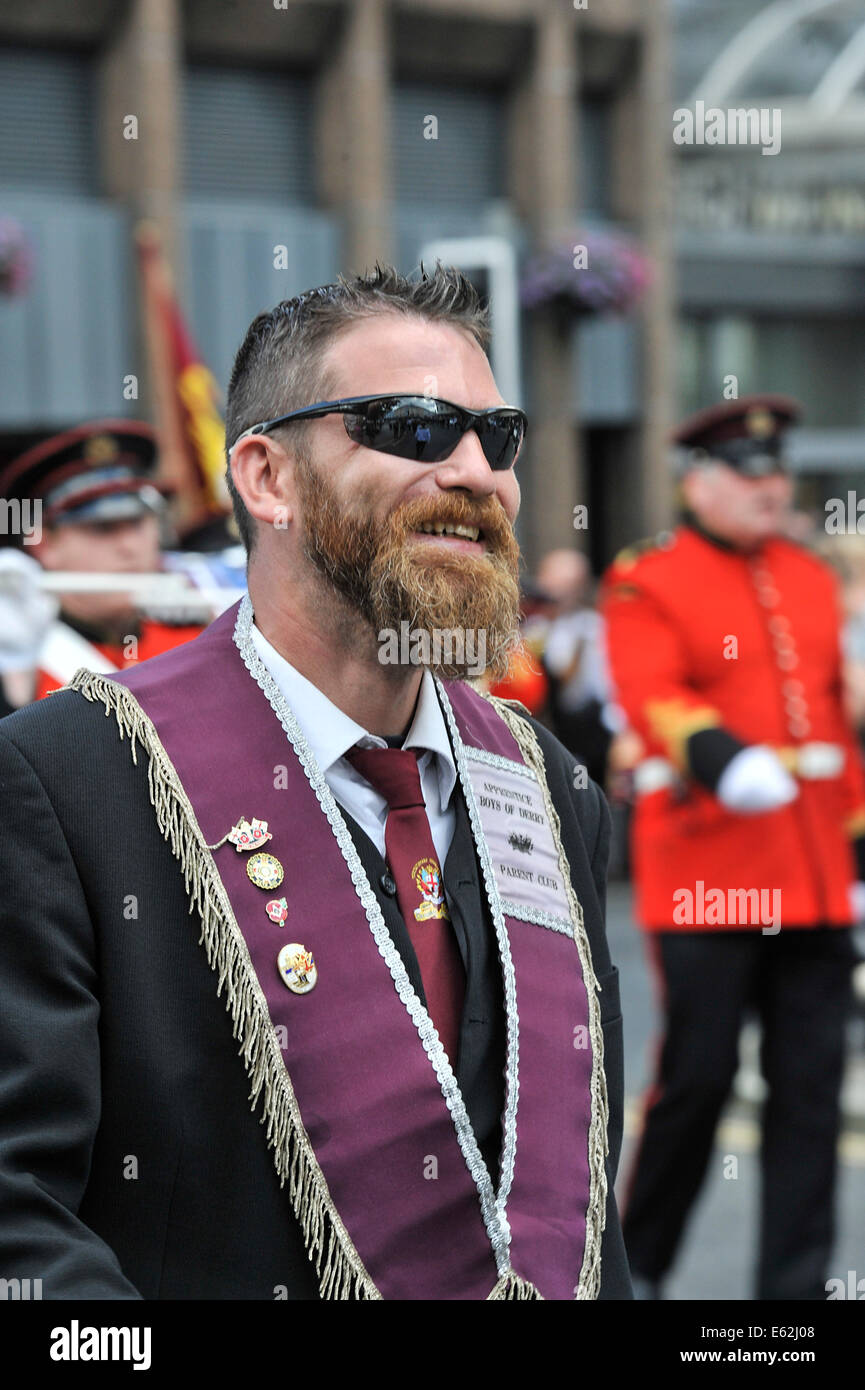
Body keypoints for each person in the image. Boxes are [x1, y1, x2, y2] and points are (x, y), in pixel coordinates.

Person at [0, 264, 631, 1301]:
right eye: (416, 428)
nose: (477, 472)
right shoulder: (64, 782)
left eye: (498, 436)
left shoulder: (546, 782)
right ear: (267, 478)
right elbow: (19, 1217)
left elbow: (580, 1195)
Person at [600, 394, 865, 1301]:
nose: (770, 487)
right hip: (710, 877)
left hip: (815, 880)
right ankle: (638, 1271)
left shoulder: (806, 573)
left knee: (808, 1098)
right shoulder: (650, 577)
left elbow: (832, 722)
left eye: (777, 470)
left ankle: (790, 1301)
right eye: (749, 473)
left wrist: (857, 857)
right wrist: (722, 759)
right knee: (697, 1081)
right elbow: (654, 697)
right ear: (699, 481)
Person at [0, 421, 203, 708]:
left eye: (137, 523)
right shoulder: (19, 659)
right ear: (44, 544)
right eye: (103, 528)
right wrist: (13, 684)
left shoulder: (198, 639)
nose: (129, 547)